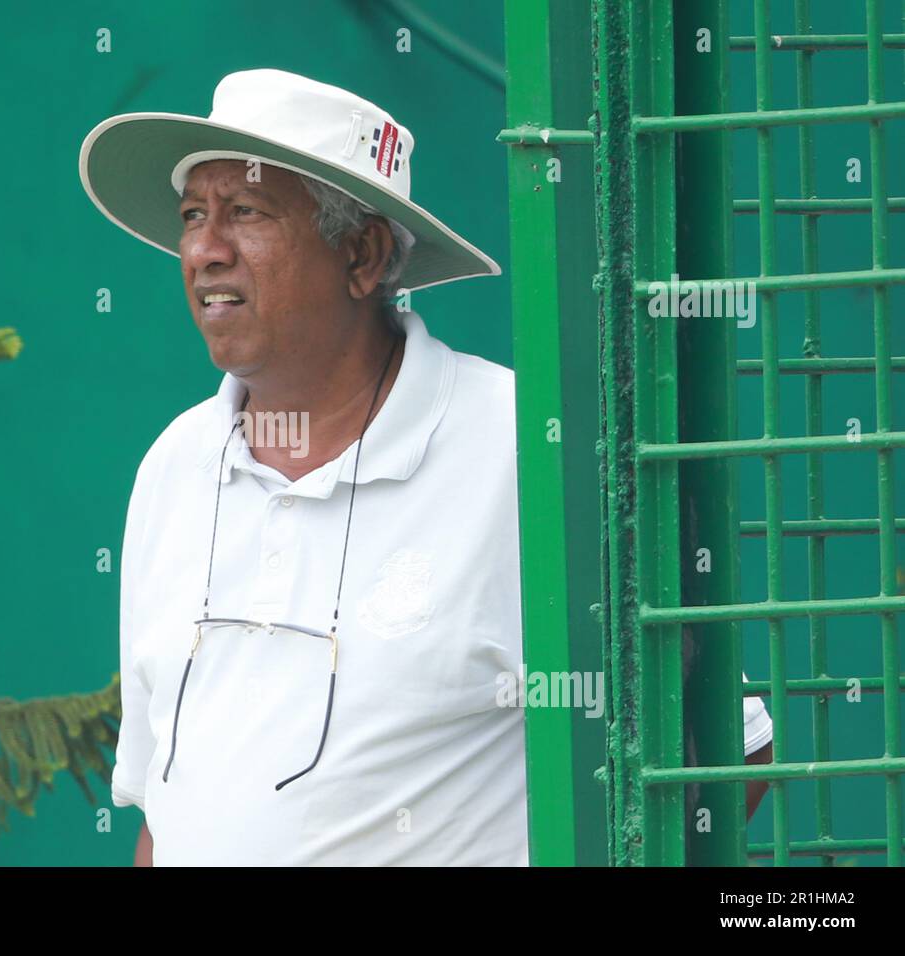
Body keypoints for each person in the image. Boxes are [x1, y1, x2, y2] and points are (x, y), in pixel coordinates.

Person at [79, 68, 772, 866]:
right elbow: (167, 817)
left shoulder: (524, 453)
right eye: (194, 215)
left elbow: (726, 755)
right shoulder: (174, 467)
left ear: (364, 255)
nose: (203, 250)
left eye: (246, 212)